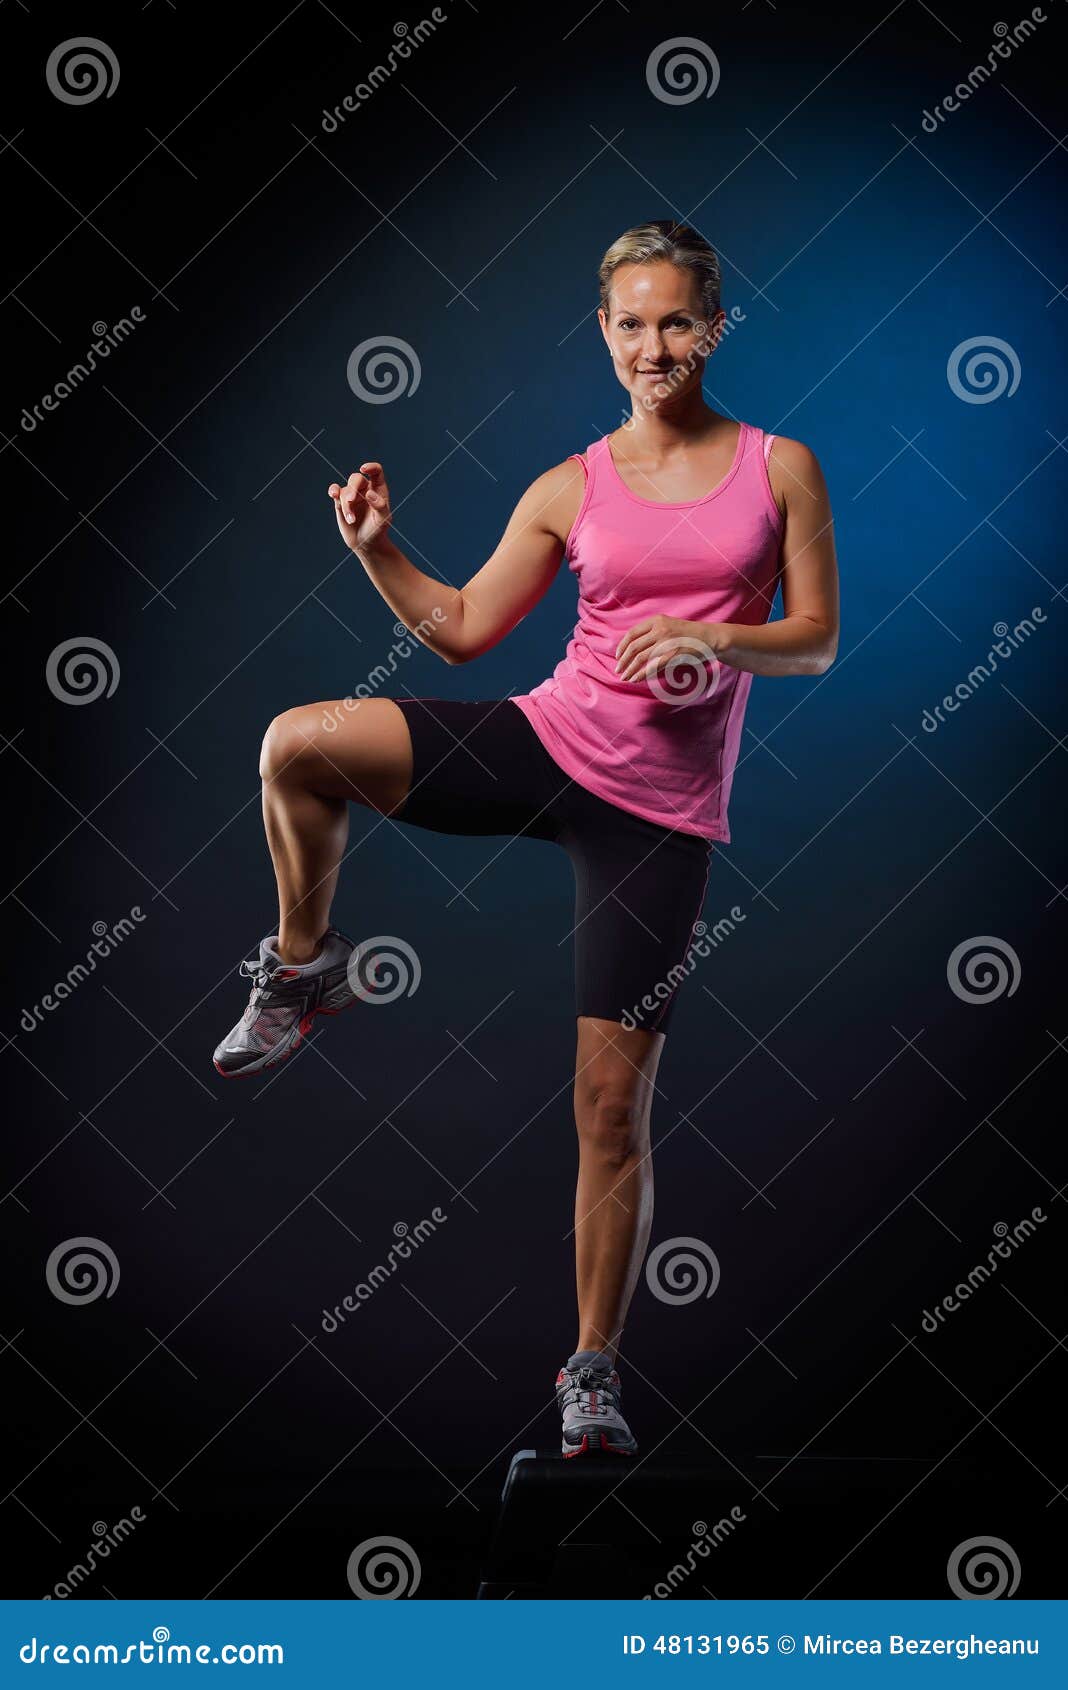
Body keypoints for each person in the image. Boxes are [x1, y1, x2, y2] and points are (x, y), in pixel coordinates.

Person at [213, 220, 839, 1457]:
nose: (652, 346)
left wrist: (715, 638)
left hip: (657, 816)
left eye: (675, 322)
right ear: (602, 336)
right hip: (549, 742)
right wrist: (378, 550)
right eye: (629, 324)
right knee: (296, 745)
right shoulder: (573, 482)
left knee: (609, 1108)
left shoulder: (781, 468)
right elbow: (458, 628)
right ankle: (305, 966)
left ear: (714, 326)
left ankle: (592, 1371)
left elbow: (814, 634)